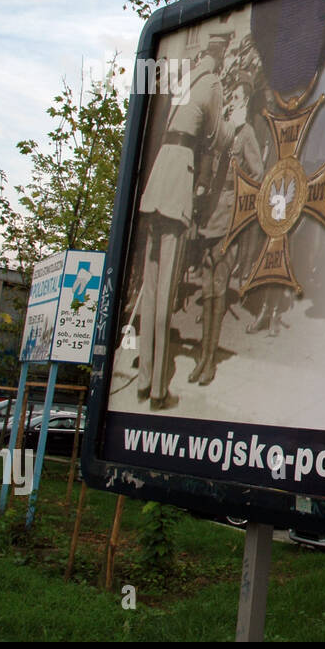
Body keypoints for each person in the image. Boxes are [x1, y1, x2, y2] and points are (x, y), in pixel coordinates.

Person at [135, 31, 228, 409]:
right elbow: (216, 136)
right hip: (179, 181)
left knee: (151, 285)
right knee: (166, 292)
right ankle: (158, 391)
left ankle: (143, 382)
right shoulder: (212, 83)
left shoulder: (187, 78)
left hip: (160, 174)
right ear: (220, 57)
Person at [190, 76, 264, 385]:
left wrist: (238, 178)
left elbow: (259, 172)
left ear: (246, 103)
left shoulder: (245, 134)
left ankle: (210, 361)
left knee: (218, 289)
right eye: (230, 95)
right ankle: (203, 357)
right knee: (207, 290)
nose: (232, 100)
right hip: (210, 216)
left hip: (229, 218)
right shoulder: (220, 133)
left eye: (237, 96)